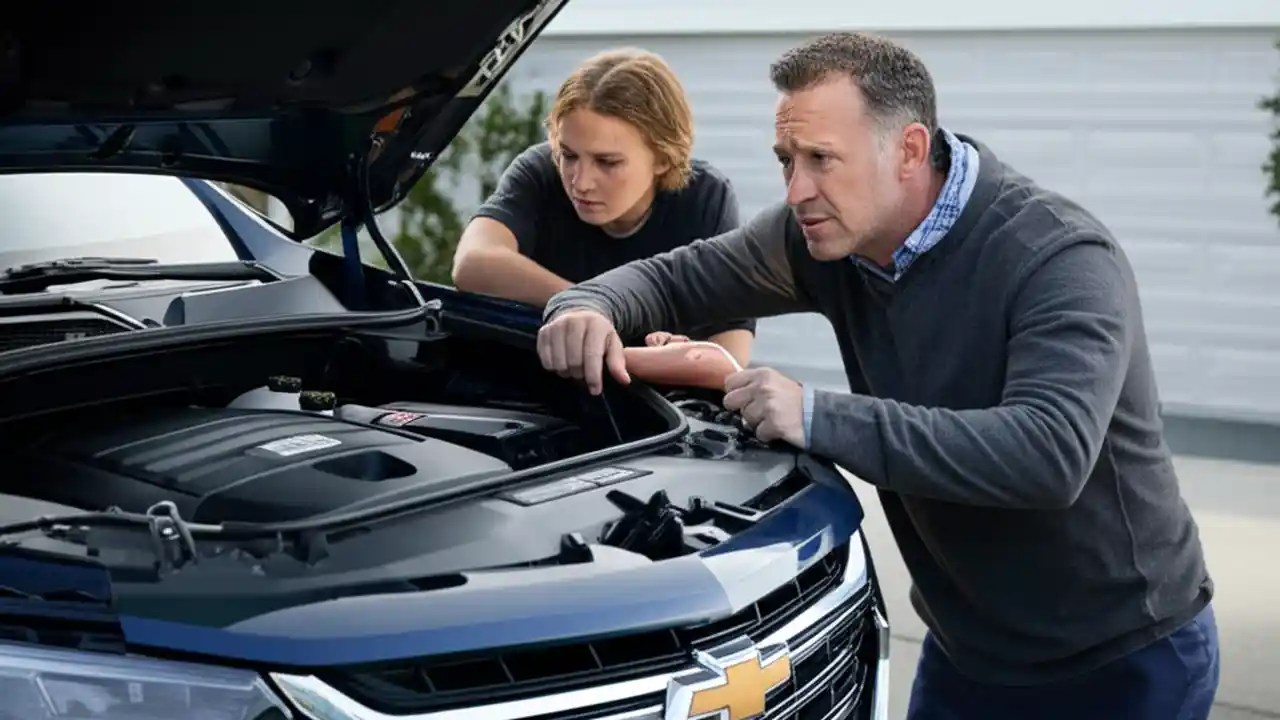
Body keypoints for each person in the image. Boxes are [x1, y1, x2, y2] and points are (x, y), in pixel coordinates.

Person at [535, 31, 1218, 720]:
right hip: (967, 651)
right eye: (786, 160)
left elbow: (1048, 453)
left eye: (822, 160)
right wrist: (588, 305)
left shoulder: (1058, 259)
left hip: (1122, 660)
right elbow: (677, 278)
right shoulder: (821, 237)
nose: (798, 189)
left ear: (910, 151)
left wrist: (814, 415)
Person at [451, 47, 756, 367]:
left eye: (607, 162)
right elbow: (473, 264)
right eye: (568, 155)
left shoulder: (705, 200)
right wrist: (589, 306)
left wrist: (608, 322)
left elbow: (730, 356)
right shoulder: (541, 171)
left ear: (663, 159)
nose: (580, 182)